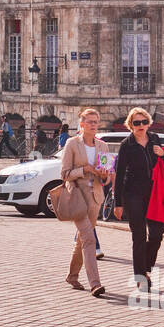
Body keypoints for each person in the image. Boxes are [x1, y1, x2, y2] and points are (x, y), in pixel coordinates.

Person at [113, 106, 164, 290]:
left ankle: (144, 267)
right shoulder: (126, 145)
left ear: (148, 124)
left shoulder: (155, 139)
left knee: (157, 234)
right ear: (131, 125)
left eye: (144, 122)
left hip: (154, 193)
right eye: (136, 123)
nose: (141, 125)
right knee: (138, 235)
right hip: (133, 194)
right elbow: (119, 174)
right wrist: (118, 203)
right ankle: (140, 276)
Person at [61, 107, 110, 297]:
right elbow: (64, 174)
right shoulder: (72, 144)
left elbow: (106, 176)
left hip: (95, 198)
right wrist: (85, 169)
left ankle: (72, 276)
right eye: (89, 121)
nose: (93, 125)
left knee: (83, 239)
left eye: (96, 122)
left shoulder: (102, 146)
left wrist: (104, 175)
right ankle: (95, 284)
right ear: (81, 124)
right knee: (89, 238)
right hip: (77, 197)